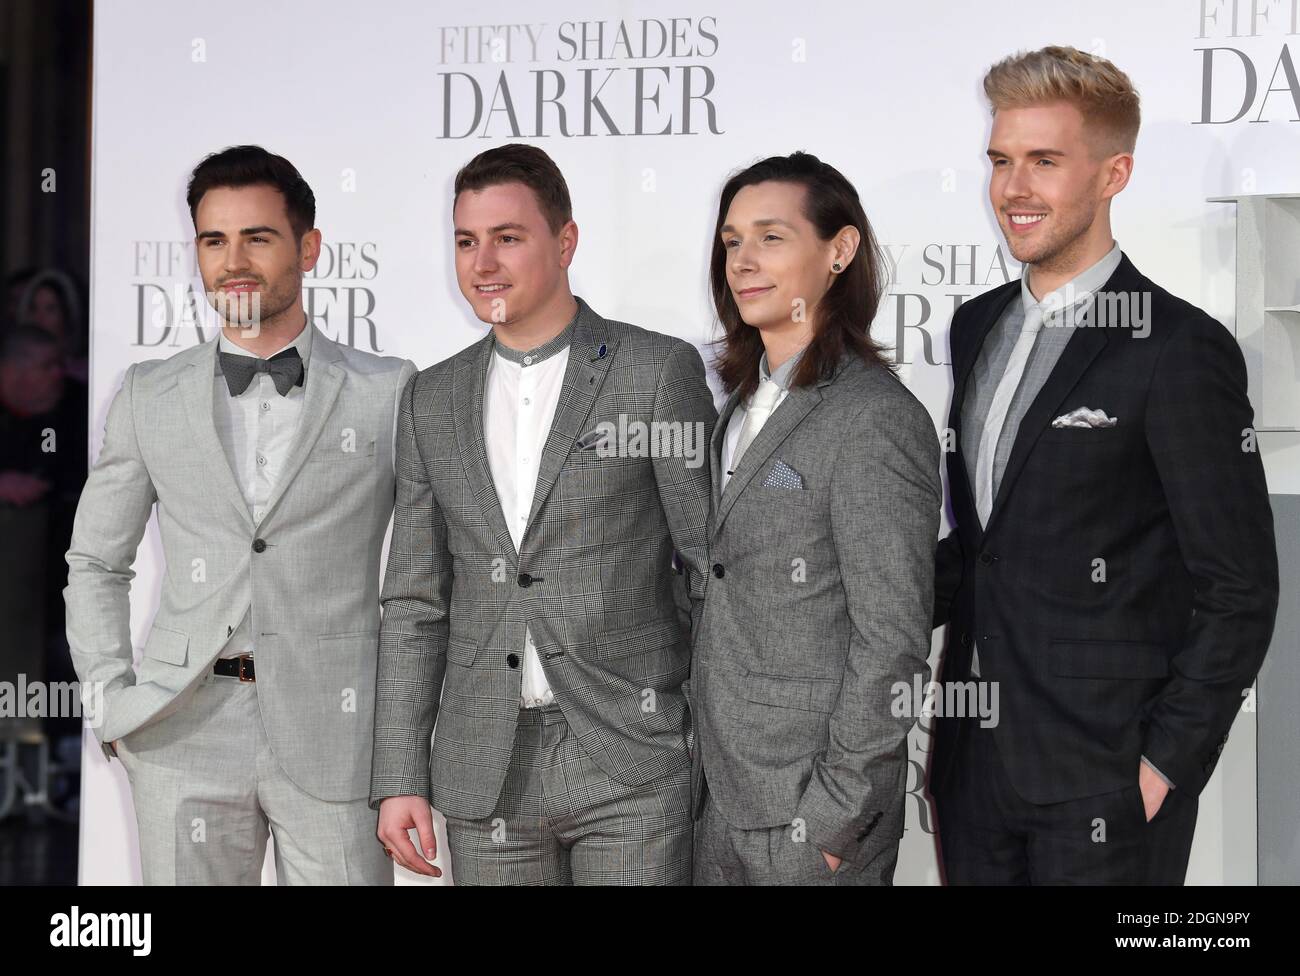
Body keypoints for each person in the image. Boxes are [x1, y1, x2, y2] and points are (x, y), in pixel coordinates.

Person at [930, 46, 1278, 884]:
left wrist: (1164, 766)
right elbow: (983, 547)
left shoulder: (1178, 348)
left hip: (1107, 785)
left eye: (1045, 162)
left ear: (1114, 173)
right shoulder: (976, 327)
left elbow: (1240, 584)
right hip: (972, 773)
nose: (1014, 189)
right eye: (1002, 160)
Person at [65, 145, 414, 884]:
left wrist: (404, 743)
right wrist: (115, 704)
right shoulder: (147, 394)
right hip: (181, 730)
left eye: (257, 237)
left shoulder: (388, 392)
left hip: (338, 732)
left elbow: (422, 579)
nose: (233, 262)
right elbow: (96, 563)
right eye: (213, 240)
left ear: (308, 247)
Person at [371, 143, 715, 885]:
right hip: (484, 764)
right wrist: (399, 771)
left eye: (507, 237)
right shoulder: (431, 398)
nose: (482, 262)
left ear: (565, 242)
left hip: (629, 754)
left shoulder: (654, 371)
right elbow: (414, 599)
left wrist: (709, 736)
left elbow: (711, 566)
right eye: (465, 241)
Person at [690, 152, 941, 885]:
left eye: (771, 237)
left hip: (811, 819)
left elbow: (892, 641)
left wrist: (833, 820)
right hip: (712, 804)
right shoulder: (731, 409)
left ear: (840, 249)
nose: (742, 261)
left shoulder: (875, 419)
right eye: (732, 241)